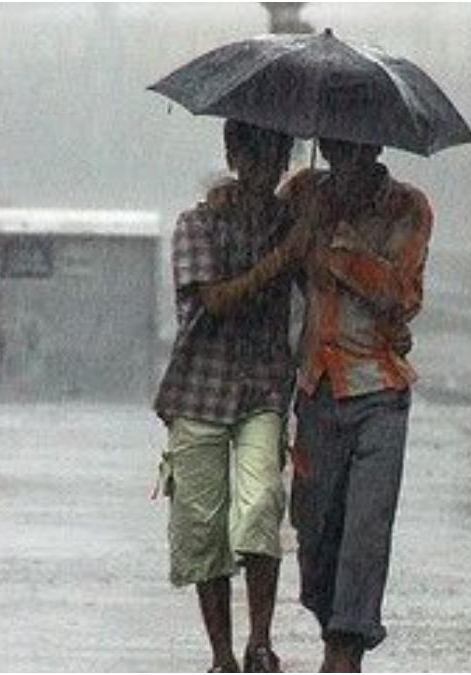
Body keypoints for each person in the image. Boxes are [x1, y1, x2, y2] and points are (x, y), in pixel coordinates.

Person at [154, 119, 310, 673]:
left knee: (260, 508)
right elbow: (216, 301)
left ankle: (260, 641)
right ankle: (222, 653)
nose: (266, 166)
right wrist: (281, 258)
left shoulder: (291, 222)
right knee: (202, 527)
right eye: (256, 153)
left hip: (263, 388)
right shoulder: (197, 224)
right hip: (199, 389)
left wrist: (299, 243)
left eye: (277, 154)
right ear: (235, 154)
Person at [280, 138, 432, 673]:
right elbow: (274, 256)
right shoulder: (302, 193)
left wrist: (339, 246)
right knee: (316, 534)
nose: (347, 157)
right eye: (337, 147)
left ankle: (345, 652)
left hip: (379, 391)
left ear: (375, 146)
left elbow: (401, 294)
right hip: (316, 391)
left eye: (357, 148)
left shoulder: (407, 208)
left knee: (366, 531)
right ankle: (335, 626)